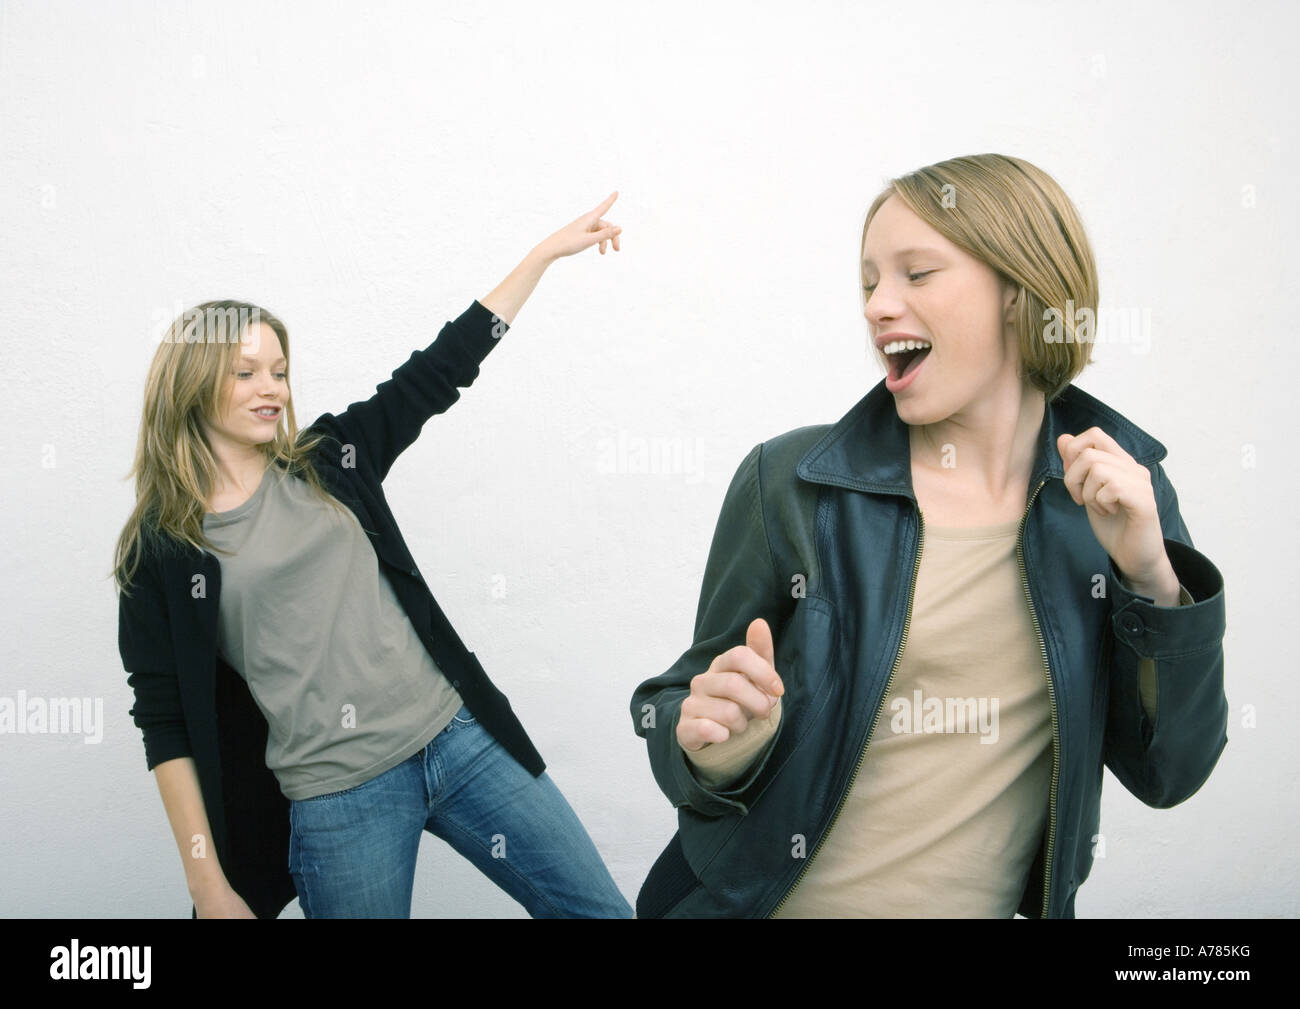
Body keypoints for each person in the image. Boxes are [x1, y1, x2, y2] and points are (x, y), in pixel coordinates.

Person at [630, 154, 1228, 918]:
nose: (879, 305)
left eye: (916, 274)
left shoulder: (1124, 495)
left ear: (1020, 291)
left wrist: (1152, 579)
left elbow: (1171, 772)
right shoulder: (790, 482)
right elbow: (679, 703)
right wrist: (713, 745)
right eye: (869, 281)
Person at [114, 193, 633, 919]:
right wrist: (208, 886)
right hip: (340, 795)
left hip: (459, 740)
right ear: (193, 384)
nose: (273, 388)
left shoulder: (332, 459)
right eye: (246, 371)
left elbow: (434, 374)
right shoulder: (163, 548)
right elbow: (164, 720)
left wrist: (542, 255)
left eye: (280, 370)